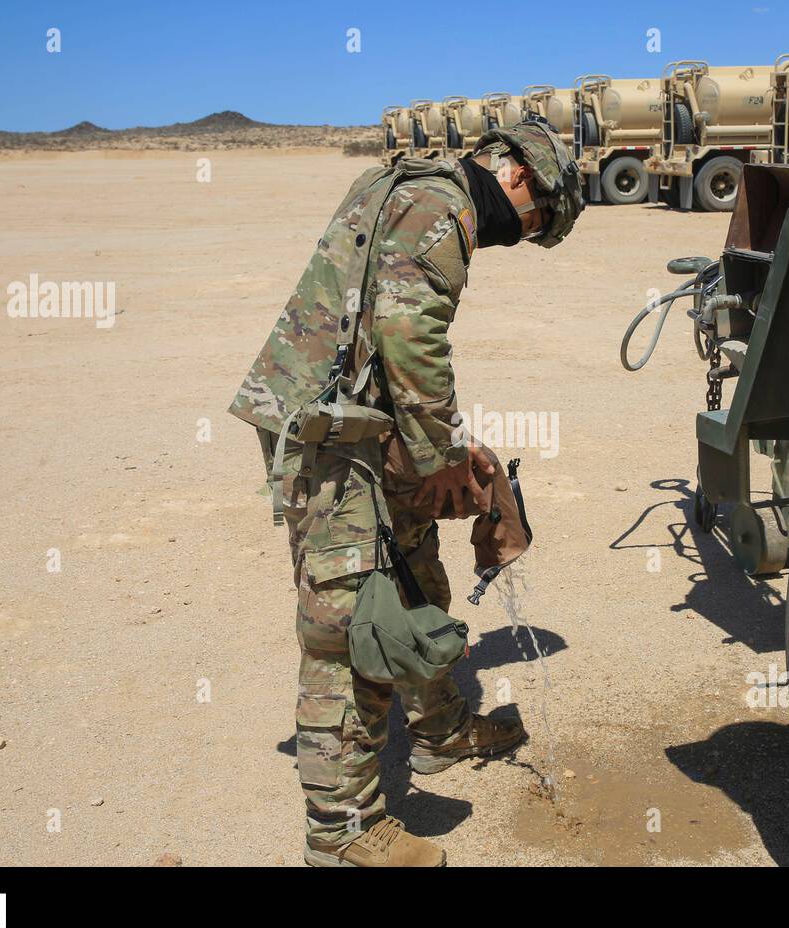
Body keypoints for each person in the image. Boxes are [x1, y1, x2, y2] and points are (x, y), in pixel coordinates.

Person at [229, 121, 584, 866]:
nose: (513, 238)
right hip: (328, 440)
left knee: (417, 570)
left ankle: (442, 729)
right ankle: (344, 831)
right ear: (517, 176)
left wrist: (439, 448)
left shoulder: (419, 189)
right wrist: (444, 457)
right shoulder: (440, 208)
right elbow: (407, 333)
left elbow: (387, 338)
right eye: (531, 225)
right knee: (347, 625)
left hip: (360, 422)